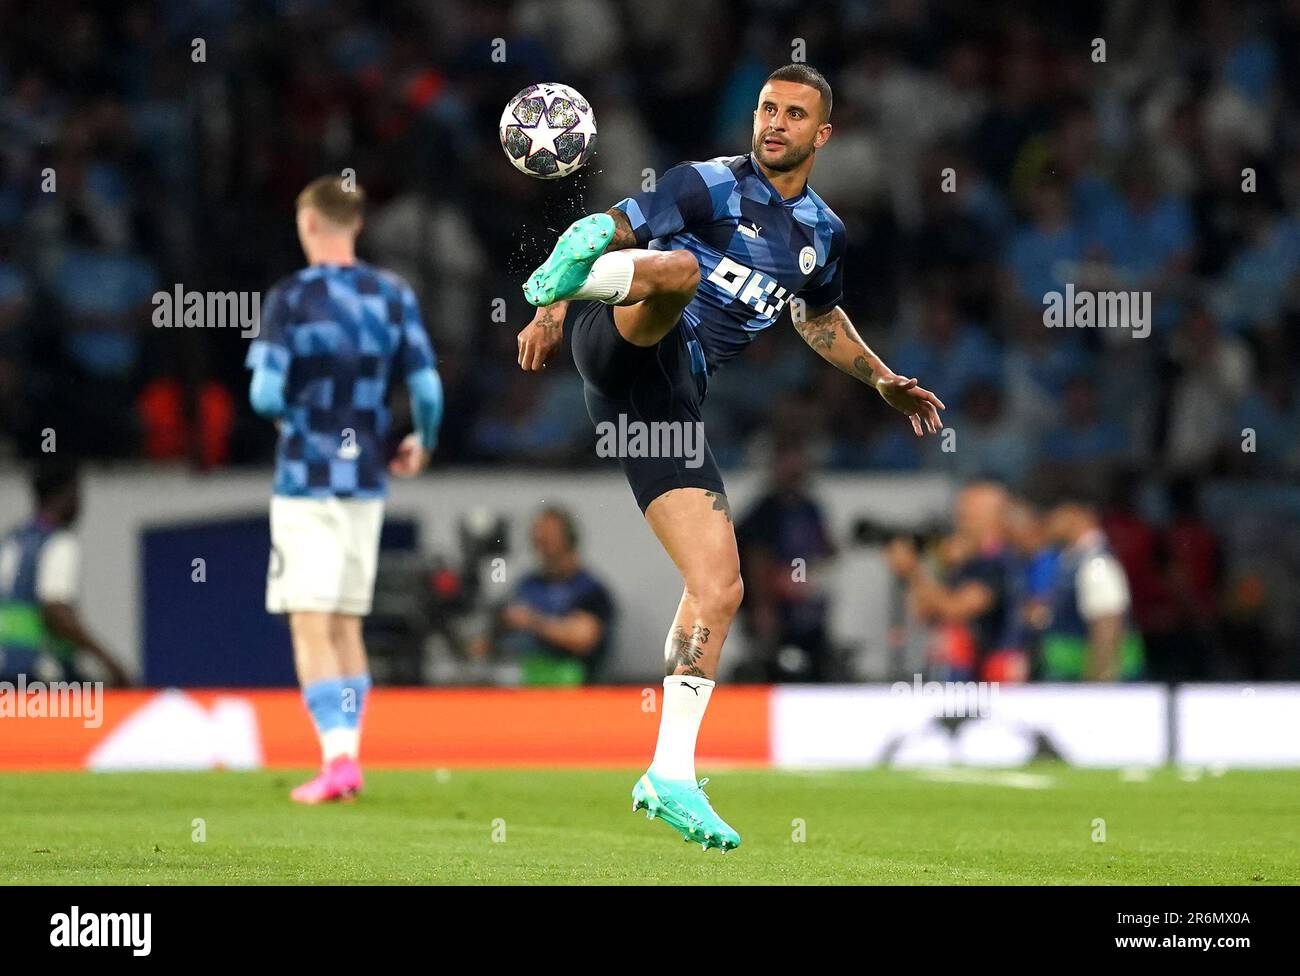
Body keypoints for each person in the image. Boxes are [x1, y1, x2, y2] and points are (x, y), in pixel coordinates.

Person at [514, 64, 945, 851]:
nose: (775, 122)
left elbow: (816, 320)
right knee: (676, 269)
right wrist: (550, 300)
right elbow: (616, 221)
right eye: (766, 108)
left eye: (794, 114)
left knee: (719, 586)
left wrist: (881, 378)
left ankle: (669, 775)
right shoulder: (706, 184)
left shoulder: (822, 236)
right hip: (618, 335)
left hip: (662, 403)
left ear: (823, 134)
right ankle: (568, 278)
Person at [245, 176, 444, 804]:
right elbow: (429, 389)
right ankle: (347, 758)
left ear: (309, 223)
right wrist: (423, 440)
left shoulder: (291, 297)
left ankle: (335, 764)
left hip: (306, 477)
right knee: (348, 624)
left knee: (310, 622)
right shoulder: (392, 294)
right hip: (367, 480)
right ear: (356, 224)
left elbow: (264, 393)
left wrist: (292, 420)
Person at [0, 460, 131, 686]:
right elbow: (55, 610)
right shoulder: (58, 543)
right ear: (65, 495)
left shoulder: (12, 541)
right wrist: (109, 661)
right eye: (77, 494)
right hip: (35, 671)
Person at [736, 439, 836, 682]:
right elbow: (754, 561)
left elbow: (825, 549)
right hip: (774, 609)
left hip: (807, 609)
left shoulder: (810, 508)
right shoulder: (763, 512)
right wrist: (762, 608)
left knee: (815, 669)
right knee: (775, 671)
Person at [480, 507, 615, 685]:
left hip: (576, 686)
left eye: (550, 537)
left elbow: (584, 637)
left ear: (568, 539)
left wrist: (532, 621)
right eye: (538, 537)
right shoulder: (527, 585)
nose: (542, 543)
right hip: (526, 684)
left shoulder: (589, 589)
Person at [1041, 500, 1144, 681]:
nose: (1049, 520)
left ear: (1077, 515)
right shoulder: (1072, 558)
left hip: (1091, 680)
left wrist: (1098, 684)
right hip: (1069, 678)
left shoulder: (1096, 563)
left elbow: (1107, 625)